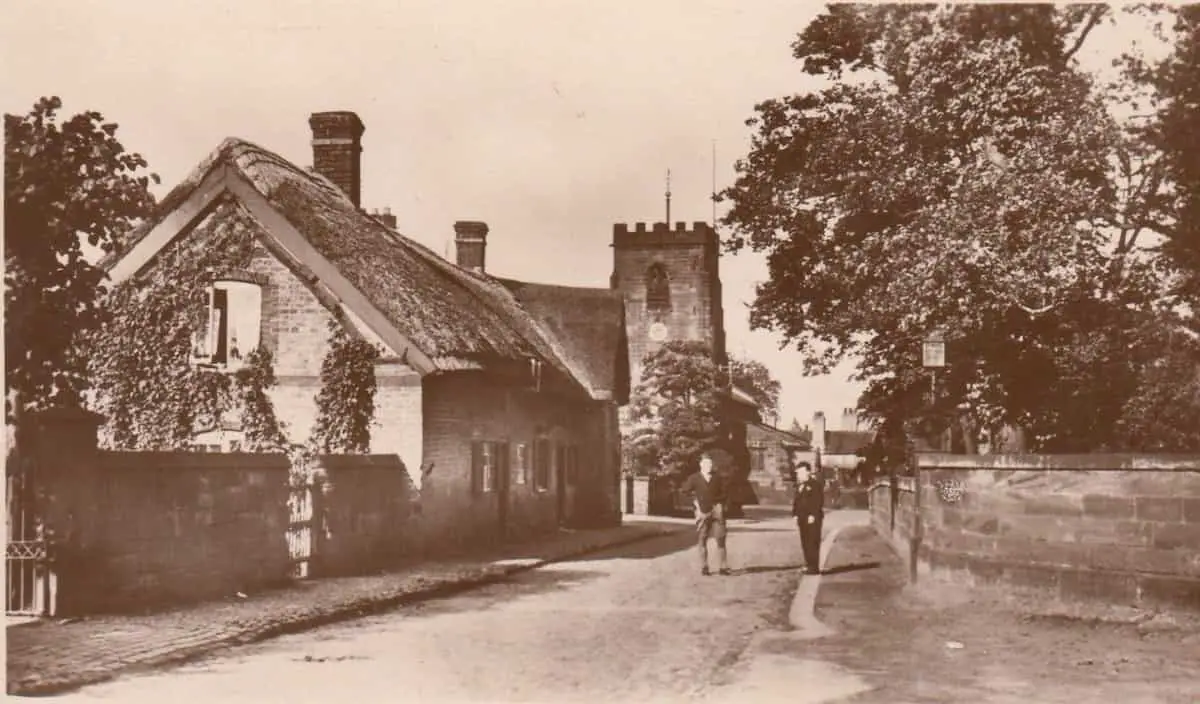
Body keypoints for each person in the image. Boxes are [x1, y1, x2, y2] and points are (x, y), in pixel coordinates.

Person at [681, 452, 730, 576]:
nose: (708, 466)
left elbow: (725, 494)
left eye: (710, 463)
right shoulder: (694, 478)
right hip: (702, 512)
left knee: (721, 538)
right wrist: (695, 503)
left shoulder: (717, 478)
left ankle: (723, 567)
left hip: (717, 511)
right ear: (701, 465)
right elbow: (684, 490)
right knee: (702, 539)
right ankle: (704, 567)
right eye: (706, 463)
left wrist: (721, 506)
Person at [792, 459, 824, 575]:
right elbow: (796, 502)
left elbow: (818, 501)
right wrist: (795, 514)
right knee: (805, 541)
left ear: (808, 472)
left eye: (801, 472)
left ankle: (814, 567)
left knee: (812, 542)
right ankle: (808, 564)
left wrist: (813, 515)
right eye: (798, 473)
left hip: (812, 518)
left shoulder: (815, 485)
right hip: (802, 518)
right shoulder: (799, 486)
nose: (799, 475)